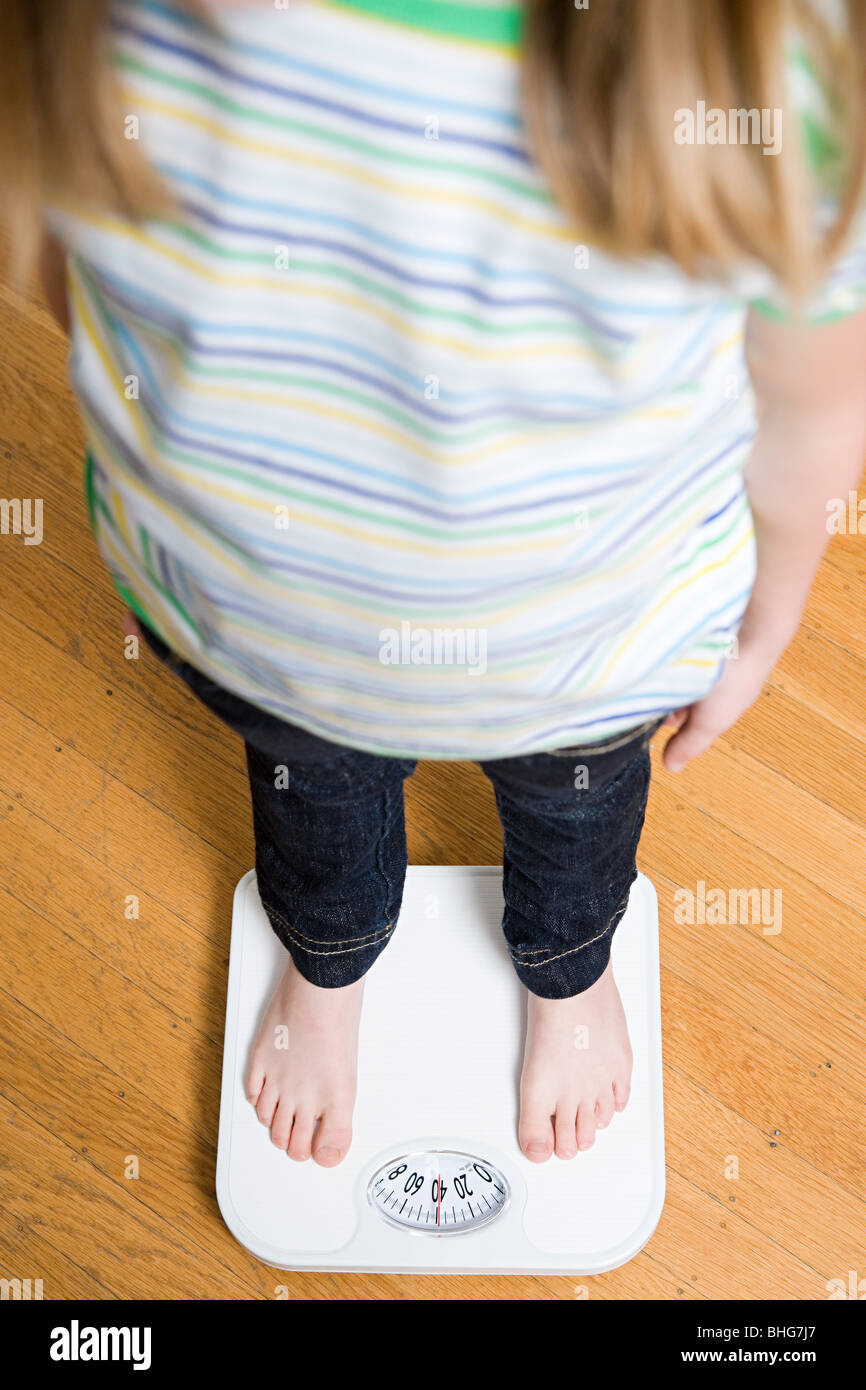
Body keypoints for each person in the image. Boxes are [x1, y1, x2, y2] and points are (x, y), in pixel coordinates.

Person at [8, 0, 865, 1168]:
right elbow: (76, 267)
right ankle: (334, 957)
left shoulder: (765, 51)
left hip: (573, 639)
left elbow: (812, 392)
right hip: (294, 629)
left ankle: (562, 971)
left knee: (549, 808)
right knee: (334, 789)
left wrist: (762, 622)